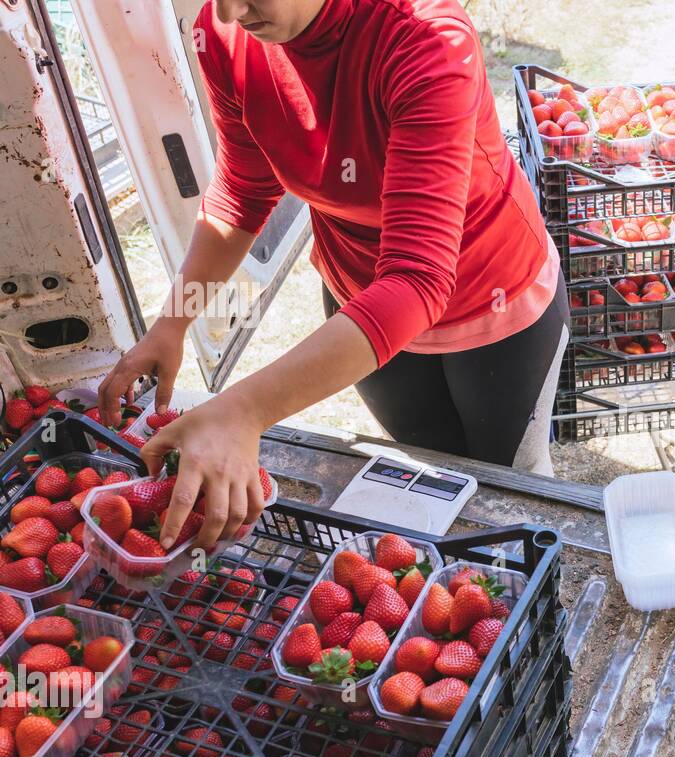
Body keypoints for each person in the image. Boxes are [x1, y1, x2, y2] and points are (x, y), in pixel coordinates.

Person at [97, 0, 566, 551]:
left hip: (491, 295)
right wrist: (171, 324)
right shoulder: (223, 35)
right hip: (363, 303)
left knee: (509, 489)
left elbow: (417, 279)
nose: (229, 11)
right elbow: (243, 192)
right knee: (430, 473)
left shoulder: (425, 38)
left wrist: (243, 411)